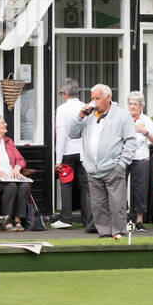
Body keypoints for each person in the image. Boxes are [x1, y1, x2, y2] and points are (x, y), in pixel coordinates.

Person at [67, 84, 137, 238]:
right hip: (92, 168)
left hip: (113, 167)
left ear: (108, 98)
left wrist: (122, 164)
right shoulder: (89, 116)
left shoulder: (122, 115)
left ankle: (119, 233)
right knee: (98, 206)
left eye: (97, 98)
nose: (94, 102)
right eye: (92, 98)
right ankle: (104, 233)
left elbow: (131, 141)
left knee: (117, 204)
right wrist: (80, 116)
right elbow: (71, 133)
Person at [54, 78, 91, 227]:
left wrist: (58, 160)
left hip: (68, 150)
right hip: (83, 151)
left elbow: (61, 134)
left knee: (66, 184)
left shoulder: (62, 109)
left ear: (65, 93)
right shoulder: (85, 106)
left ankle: (66, 218)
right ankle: (87, 218)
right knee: (85, 186)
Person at [126, 92, 153, 231]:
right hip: (123, 157)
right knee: (120, 187)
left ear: (141, 107)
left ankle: (139, 221)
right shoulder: (123, 118)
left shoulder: (146, 120)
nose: (132, 107)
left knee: (140, 189)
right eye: (130, 104)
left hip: (141, 157)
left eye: (135, 104)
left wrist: (144, 131)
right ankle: (123, 218)